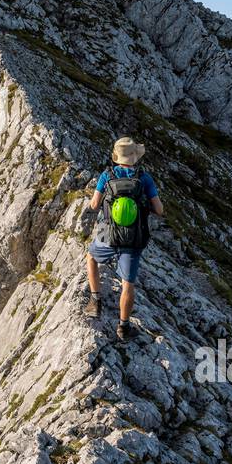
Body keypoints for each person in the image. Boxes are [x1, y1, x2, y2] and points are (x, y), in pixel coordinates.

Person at [85, 136, 163, 339]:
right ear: (135, 157)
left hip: (107, 233)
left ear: (116, 156)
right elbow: (159, 210)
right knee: (127, 284)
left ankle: (95, 301)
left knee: (91, 258)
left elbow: (94, 205)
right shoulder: (144, 178)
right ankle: (123, 327)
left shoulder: (107, 175)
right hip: (133, 237)